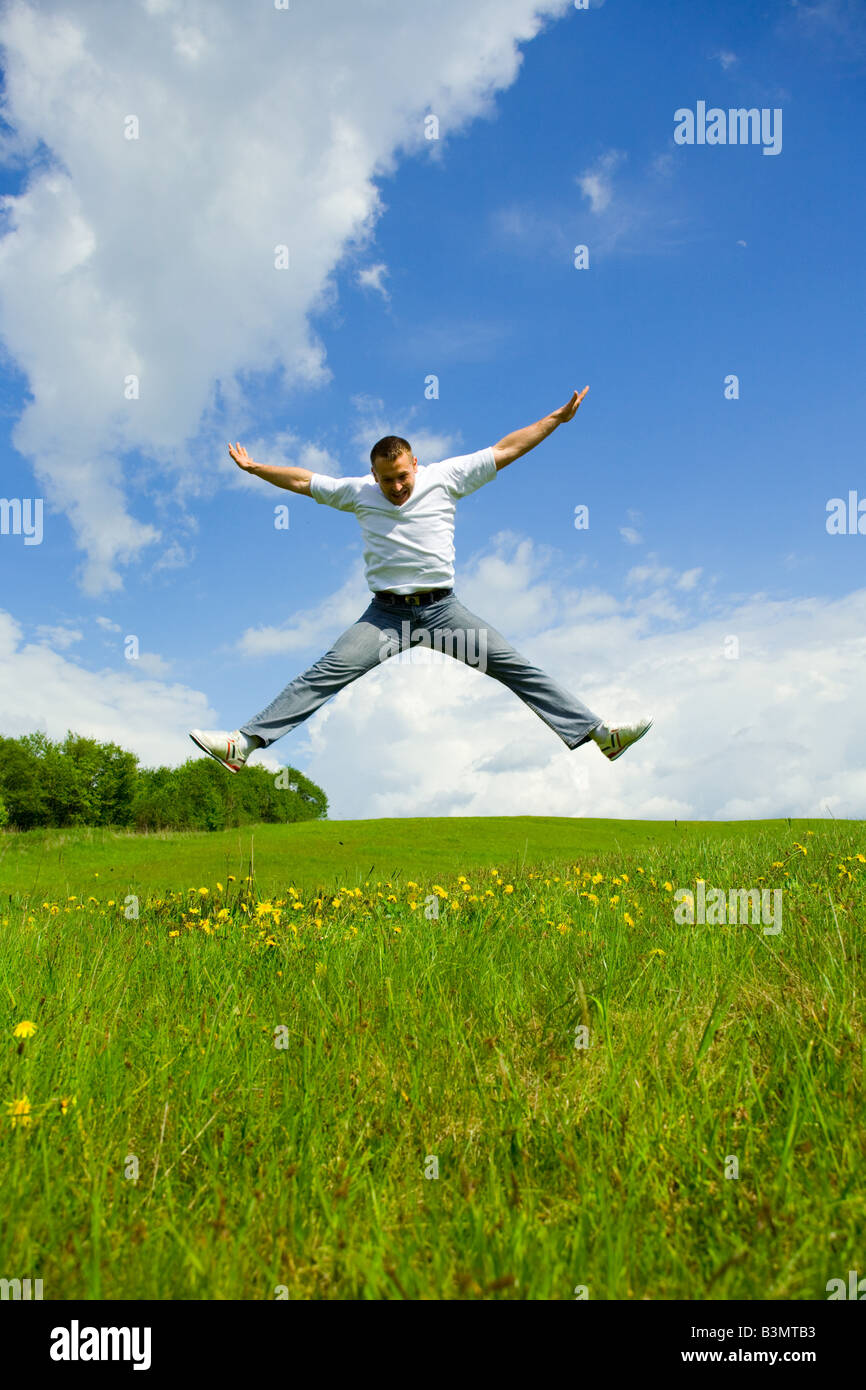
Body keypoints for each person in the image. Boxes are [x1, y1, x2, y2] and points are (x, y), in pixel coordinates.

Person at [190, 388, 652, 772]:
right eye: (387, 479)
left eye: (403, 476)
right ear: (374, 474)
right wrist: (256, 468)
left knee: (515, 666)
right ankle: (243, 745)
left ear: (416, 463)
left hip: (443, 613)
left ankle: (600, 735)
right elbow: (302, 481)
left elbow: (507, 448)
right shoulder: (357, 493)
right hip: (385, 619)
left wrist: (556, 419)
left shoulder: (446, 477)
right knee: (327, 672)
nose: (397, 488)